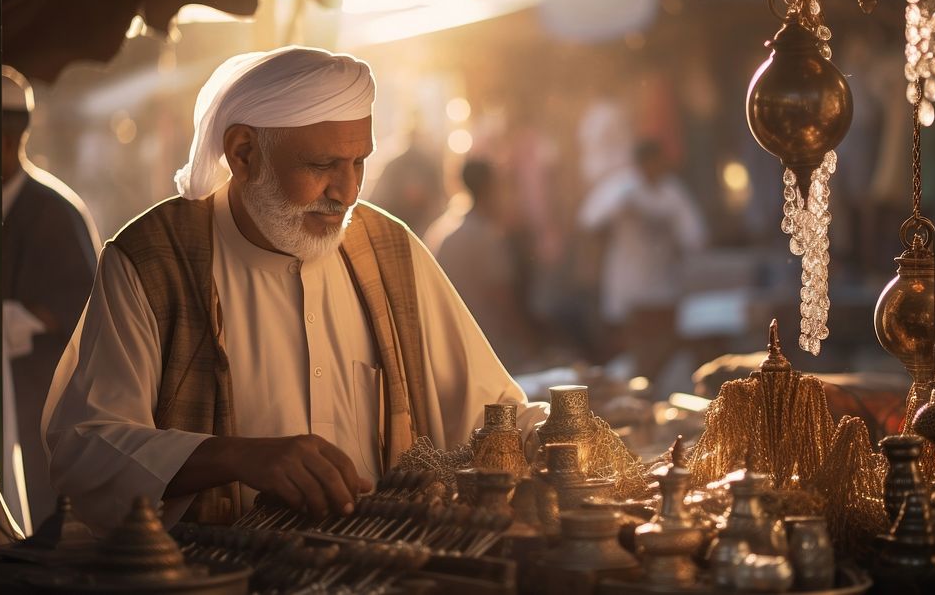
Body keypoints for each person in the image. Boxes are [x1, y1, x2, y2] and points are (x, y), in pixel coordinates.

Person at [42, 46, 547, 534]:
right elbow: (85, 452)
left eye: (358, 163)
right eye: (322, 165)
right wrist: (237, 456)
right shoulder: (151, 261)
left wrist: (550, 434)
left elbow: (490, 410)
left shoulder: (388, 249)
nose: (346, 192)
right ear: (243, 153)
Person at [1, 66, 100, 529]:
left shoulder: (58, 211)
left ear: (11, 136)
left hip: (42, 400)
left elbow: (87, 304)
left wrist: (19, 318)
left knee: (41, 519)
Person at [578, 139, 706, 392]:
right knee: (632, 355)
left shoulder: (672, 193)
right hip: (629, 291)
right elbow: (590, 223)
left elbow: (695, 239)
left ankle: (653, 397)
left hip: (664, 290)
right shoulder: (620, 189)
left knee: (661, 356)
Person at [426, 158, 539, 373]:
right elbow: (502, 298)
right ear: (489, 189)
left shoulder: (445, 231)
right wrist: (529, 343)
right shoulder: (486, 237)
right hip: (488, 347)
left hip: (451, 347)